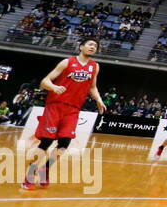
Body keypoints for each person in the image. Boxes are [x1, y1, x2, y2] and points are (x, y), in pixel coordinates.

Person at [22, 39, 106, 191]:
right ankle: (29, 174)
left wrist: (99, 100)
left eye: (95, 46)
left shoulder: (95, 66)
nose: (93, 47)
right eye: (90, 44)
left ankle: (45, 169)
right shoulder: (67, 62)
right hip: (55, 106)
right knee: (46, 142)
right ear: (81, 47)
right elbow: (44, 81)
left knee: (64, 143)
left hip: (73, 109)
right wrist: (54, 87)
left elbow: (92, 87)